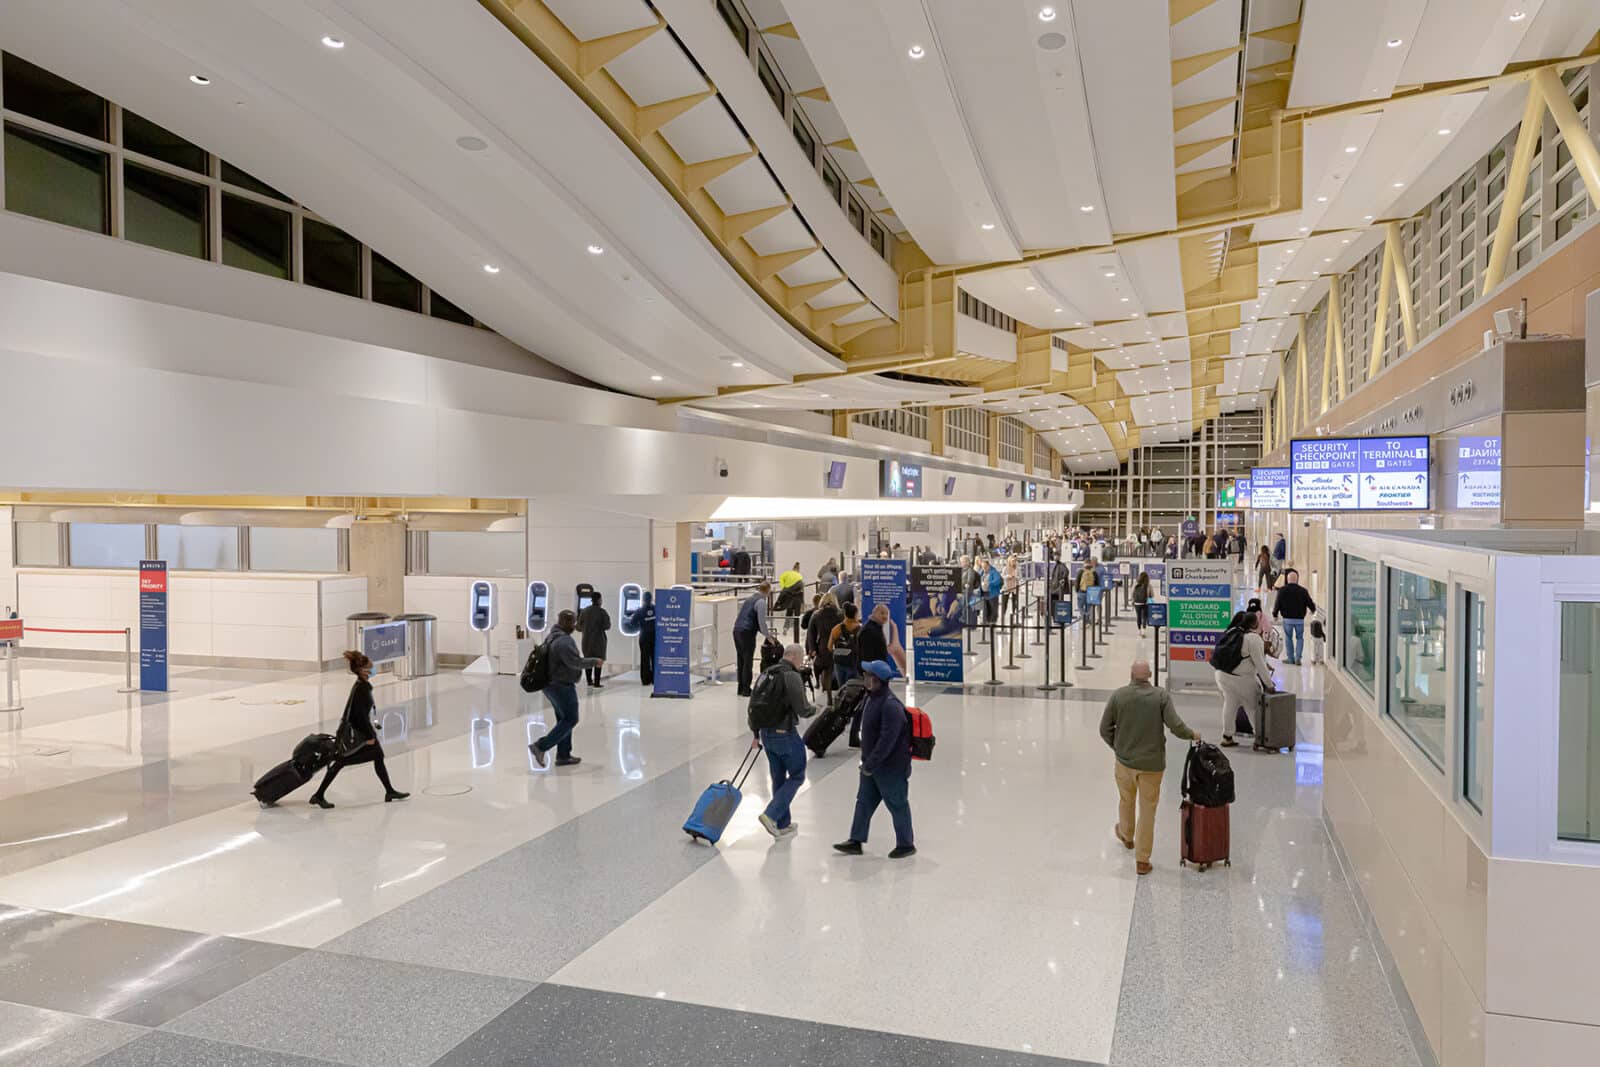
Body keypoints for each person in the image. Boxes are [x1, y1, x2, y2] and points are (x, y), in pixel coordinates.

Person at [1099, 661, 1197, 875]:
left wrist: (1118, 746)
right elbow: (1175, 725)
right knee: (1147, 811)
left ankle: (1126, 835)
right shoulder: (1160, 697)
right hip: (1152, 765)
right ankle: (1142, 860)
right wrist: (1192, 734)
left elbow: (1104, 728)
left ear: (1130, 675)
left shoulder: (1118, 696)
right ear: (1150, 675)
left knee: (1126, 799)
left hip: (1124, 762)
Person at [833, 660, 915, 859]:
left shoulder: (891, 706)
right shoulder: (871, 698)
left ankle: (906, 844)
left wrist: (870, 763)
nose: (865, 678)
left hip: (891, 768)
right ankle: (856, 840)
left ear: (877, 680)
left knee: (897, 804)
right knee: (863, 803)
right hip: (871, 766)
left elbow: (887, 741)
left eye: (868, 675)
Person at [310, 650, 409, 808]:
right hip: (359, 733)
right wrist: (370, 736)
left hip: (359, 731)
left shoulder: (361, 686)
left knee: (377, 756)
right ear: (363, 670)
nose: (373, 669)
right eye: (371, 666)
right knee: (342, 761)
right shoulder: (361, 689)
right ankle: (318, 795)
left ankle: (389, 791)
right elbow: (359, 716)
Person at [752, 643, 813, 839]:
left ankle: (782, 824)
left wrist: (755, 734)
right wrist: (816, 709)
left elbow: (753, 704)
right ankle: (771, 815)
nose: (801, 663)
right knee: (797, 775)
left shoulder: (766, 673)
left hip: (766, 734)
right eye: (801, 659)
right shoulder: (791, 676)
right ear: (795, 657)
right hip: (784, 733)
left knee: (778, 778)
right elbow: (803, 709)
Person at [529, 610, 603, 768]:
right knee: (571, 719)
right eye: (572, 622)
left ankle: (563, 755)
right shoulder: (564, 641)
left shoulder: (551, 636)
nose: (574, 626)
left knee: (563, 720)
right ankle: (540, 746)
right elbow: (575, 662)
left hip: (550, 685)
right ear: (565, 622)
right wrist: (594, 661)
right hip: (561, 685)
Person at [1216, 610, 1274, 748]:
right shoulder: (1253, 638)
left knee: (1230, 704)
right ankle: (1260, 738)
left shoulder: (1230, 632)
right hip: (1243, 680)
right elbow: (1260, 665)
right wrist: (1269, 684)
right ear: (1254, 624)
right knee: (1253, 707)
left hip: (1222, 676)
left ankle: (1227, 737)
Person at [731, 581, 776, 697]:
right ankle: (746, 689)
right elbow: (762, 622)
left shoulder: (749, 599)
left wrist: (766, 634)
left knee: (741, 660)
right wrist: (769, 637)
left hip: (737, 630)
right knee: (747, 661)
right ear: (767, 591)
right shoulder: (761, 602)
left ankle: (740, 688)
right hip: (747, 633)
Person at [1272, 569, 1317, 666]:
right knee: (1300, 638)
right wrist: (1313, 610)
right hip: (1300, 619)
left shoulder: (1282, 590)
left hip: (1287, 619)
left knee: (1288, 638)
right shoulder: (1303, 591)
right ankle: (1298, 658)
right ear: (1297, 580)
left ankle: (1290, 658)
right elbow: (1310, 602)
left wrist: (1275, 614)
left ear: (1287, 580)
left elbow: (1277, 603)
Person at [807, 592, 843, 698]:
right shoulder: (840, 614)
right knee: (832, 670)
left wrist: (812, 649)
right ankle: (833, 695)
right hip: (837, 645)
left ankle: (826, 692)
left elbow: (811, 633)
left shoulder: (816, 614)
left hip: (822, 646)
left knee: (825, 669)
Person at [577, 591, 611, 688]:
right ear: (599, 600)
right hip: (599, 641)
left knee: (588, 660)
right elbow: (607, 626)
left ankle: (589, 681)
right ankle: (597, 682)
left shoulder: (584, 611)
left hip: (586, 640)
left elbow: (578, 627)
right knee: (598, 660)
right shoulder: (602, 612)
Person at [827, 602, 863, 689]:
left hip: (839, 663)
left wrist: (840, 652)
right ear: (855, 614)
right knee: (853, 689)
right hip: (854, 663)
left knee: (842, 688)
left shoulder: (836, 629)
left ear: (845, 614)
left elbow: (829, 647)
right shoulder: (861, 629)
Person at [628, 591, 655, 687]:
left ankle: (645, 680)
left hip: (644, 637)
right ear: (651, 599)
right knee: (654, 658)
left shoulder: (639, 611)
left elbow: (632, 623)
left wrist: (640, 625)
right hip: (655, 637)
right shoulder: (656, 609)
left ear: (643, 599)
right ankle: (655, 679)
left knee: (644, 659)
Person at [1001, 554, 1020, 622]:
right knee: (1005, 602)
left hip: (1014, 586)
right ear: (1009, 561)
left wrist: (1015, 577)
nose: (1013, 562)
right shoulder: (1005, 568)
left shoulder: (1017, 568)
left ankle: (1014, 613)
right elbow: (1002, 576)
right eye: (1012, 561)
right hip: (1007, 587)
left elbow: (1020, 576)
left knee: (1015, 601)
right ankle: (1003, 614)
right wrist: (1008, 576)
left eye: (1014, 561)